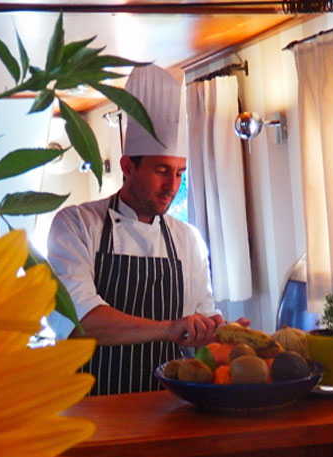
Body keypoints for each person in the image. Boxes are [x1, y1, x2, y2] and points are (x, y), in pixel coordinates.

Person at [46, 64, 249, 396]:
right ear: (127, 167)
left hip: (168, 406)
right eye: (161, 170)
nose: (172, 185)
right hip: (93, 406)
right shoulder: (76, 225)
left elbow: (200, 328)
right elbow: (80, 322)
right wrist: (169, 328)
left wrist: (223, 334)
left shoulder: (188, 240)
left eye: (180, 173)